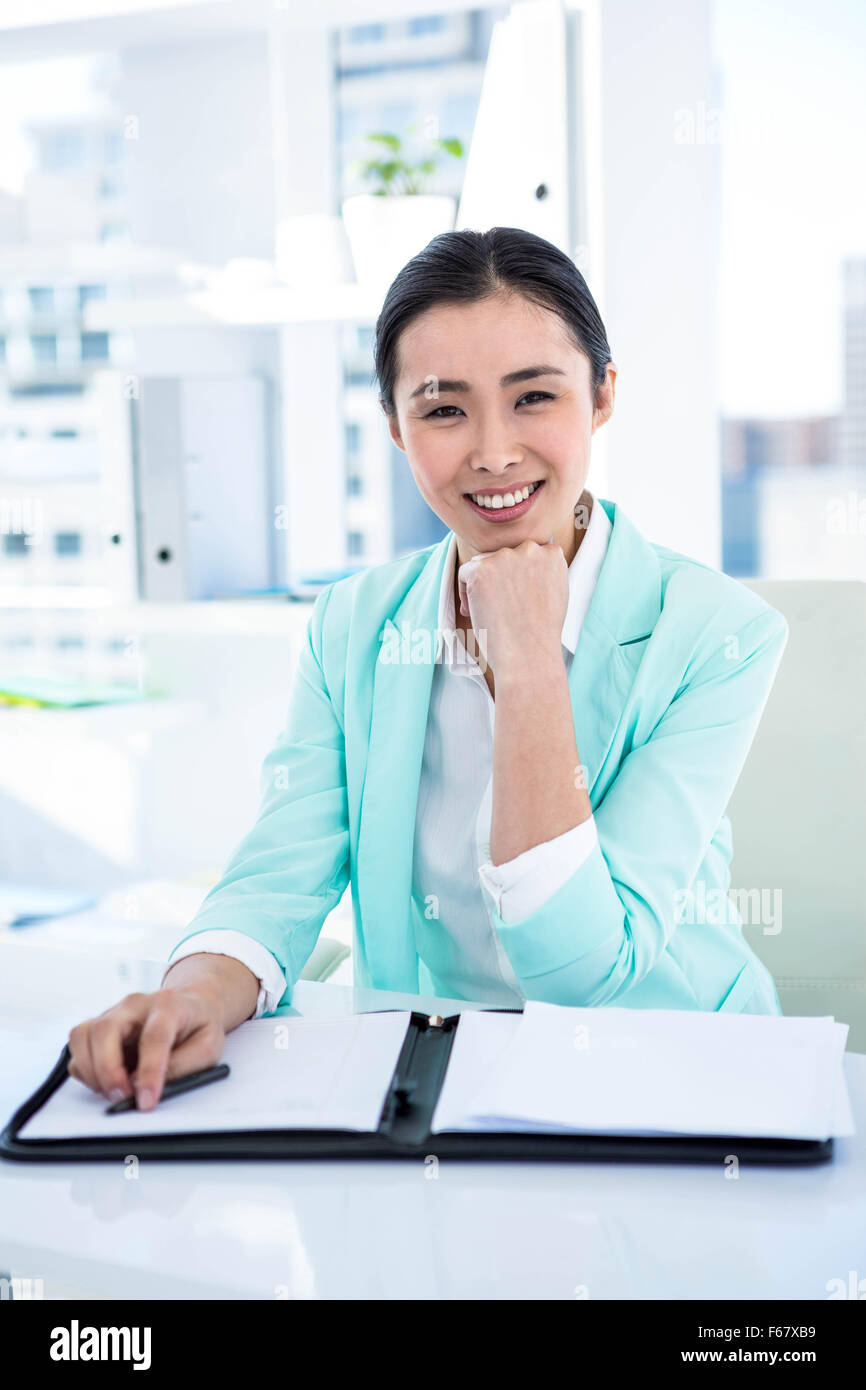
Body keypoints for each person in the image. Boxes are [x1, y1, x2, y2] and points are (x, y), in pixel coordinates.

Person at [67, 226, 789, 1111]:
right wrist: (191, 996)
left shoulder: (718, 635)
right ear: (396, 428)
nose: (492, 452)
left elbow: (583, 968)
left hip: (674, 1079)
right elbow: (277, 878)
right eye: (444, 410)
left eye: (534, 398)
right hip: (427, 1084)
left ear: (602, 395)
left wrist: (528, 666)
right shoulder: (351, 626)